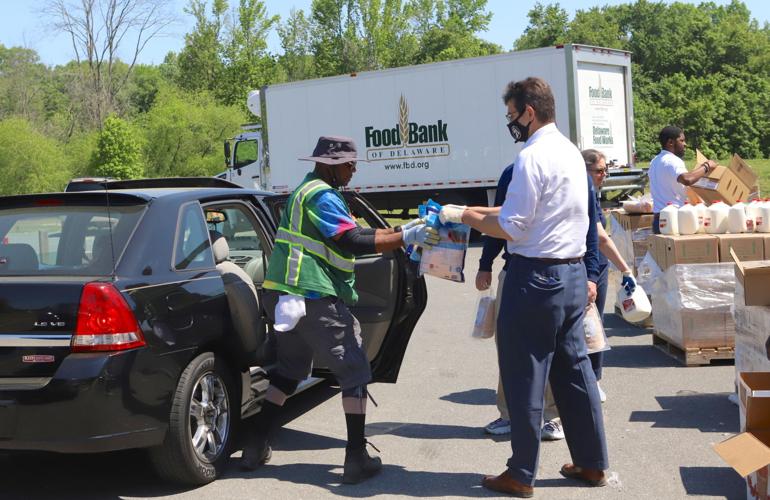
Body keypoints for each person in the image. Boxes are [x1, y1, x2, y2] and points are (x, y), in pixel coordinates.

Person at [440, 77, 609, 496]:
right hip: (570, 277)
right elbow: (530, 210)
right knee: (575, 373)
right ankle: (592, 463)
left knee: (523, 375)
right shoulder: (570, 152)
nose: (511, 122)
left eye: (512, 115)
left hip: (534, 279)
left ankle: (520, 473)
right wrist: (473, 208)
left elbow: (512, 225)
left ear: (528, 112)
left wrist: (463, 216)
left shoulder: (531, 157)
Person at [240, 136, 439, 484]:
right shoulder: (321, 194)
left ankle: (256, 443)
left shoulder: (305, 191)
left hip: (286, 296)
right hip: (312, 294)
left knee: (288, 373)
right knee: (355, 371)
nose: (354, 169)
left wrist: (399, 230)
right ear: (331, 164)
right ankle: (355, 457)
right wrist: (407, 236)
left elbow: (350, 234)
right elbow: (351, 240)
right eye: (350, 163)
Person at [541, 149, 638, 441]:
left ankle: (591, 383)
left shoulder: (590, 192)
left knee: (591, 331)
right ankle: (588, 385)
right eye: (600, 170)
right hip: (585, 273)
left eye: (606, 170)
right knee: (586, 333)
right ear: (585, 170)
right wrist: (626, 270)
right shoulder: (582, 191)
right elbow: (600, 237)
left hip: (590, 271)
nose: (604, 175)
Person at [476, 163, 514, 436]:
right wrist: (485, 263)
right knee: (509, 347)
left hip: (560, 271)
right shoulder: (513, 172)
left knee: (553, 348)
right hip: (515, 270)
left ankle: (552, 416)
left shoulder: (570, 167)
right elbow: (499, 222)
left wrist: (590, 275)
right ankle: (509, 414)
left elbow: (590, 226)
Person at [649, 126, 717, 233]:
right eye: (681, 140)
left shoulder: (655, 161)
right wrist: (706, 166)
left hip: (659, 219)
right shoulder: (673, 160)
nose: (685, 144)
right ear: (670, 142)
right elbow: (687, 179)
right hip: (674, 219)